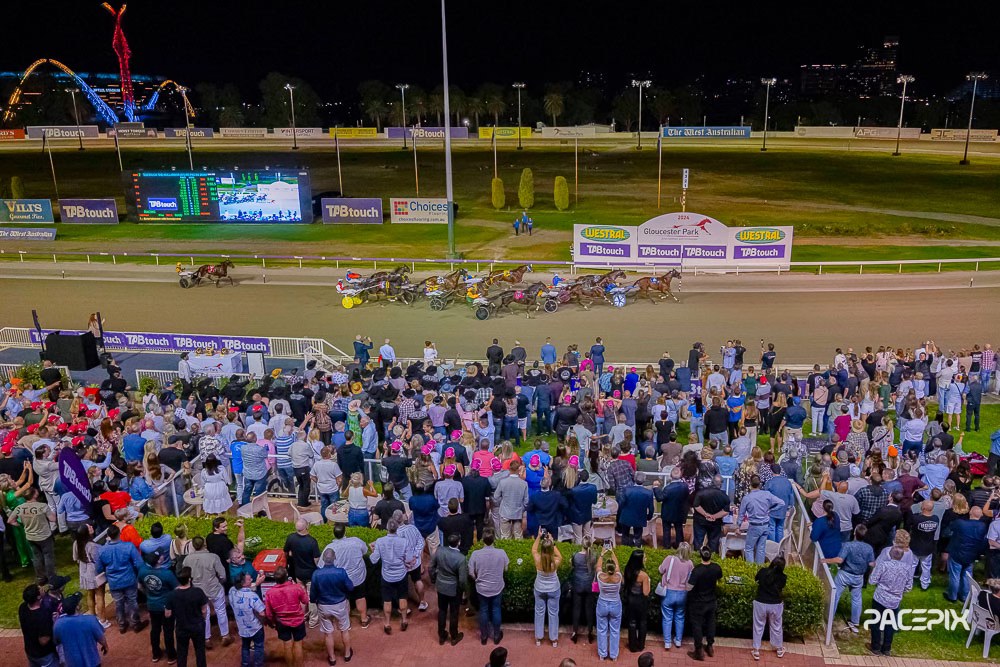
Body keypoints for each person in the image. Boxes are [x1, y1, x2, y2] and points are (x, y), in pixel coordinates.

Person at [823, 524, 875, 633]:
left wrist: (825, 560)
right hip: (858, 577)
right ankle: (855, 622)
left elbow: (839, 560)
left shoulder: (848, 545)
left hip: (844, 575)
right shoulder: (869, 548)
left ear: (855, 533)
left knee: (835, 595)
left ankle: (829, 618)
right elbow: (872, 563)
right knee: (856, 599)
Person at [94, 523, 145, 634]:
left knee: (118, 603)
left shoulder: (102, 550)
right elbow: (139, 563)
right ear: (119, 534)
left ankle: (122, 625)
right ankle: (135, 623)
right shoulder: (128, 546)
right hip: (129, 579)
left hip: (114, 582)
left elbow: (98, 569)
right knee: (132, 601)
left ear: (108, 536)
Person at [311, 548, 355, 664]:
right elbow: (350, 587)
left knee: (328, 633)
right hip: (340, 604)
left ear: (323, 559)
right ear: (335, 558)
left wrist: (316, 601)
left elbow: (312, 594)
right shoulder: (341, 572)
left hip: (324, 606)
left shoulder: (316, 574)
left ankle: (332, 658)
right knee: (344, 630)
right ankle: (347, 654)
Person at [185, 535, 231, 647]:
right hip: (214, 588)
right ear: (204, 544)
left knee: (204, 614)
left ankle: (206, 639)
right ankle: (225, 636)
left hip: (198, 591)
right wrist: (220, 582)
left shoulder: (187, 559)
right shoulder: (213, 557)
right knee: (221, 610)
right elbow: (223, 575)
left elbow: (186, 576)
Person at [369, 518, 412, 634]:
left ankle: (387, 624)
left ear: (387, 528)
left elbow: (373, 560)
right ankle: (404, 620)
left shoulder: (380, 541)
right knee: (402, 598)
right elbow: (409, 559)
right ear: (397, 527)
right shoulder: (404, 542)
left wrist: (372, 549)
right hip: (401, 574)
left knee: (387, 601)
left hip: (387, 576)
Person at [468, 527, 509, 646]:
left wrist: (477, 580)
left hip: (482, 588)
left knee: (483, 610)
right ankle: (496, 635)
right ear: (494, 539)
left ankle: (484, 636)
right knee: (496, 609)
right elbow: (506, 568)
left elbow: (471, 572)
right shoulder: (501, 553)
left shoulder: (476, 554)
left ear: (482, 540)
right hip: (497, 587)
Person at [868, 547, 913, 656]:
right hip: (894, 602)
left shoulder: (883, 565)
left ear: (890, 554)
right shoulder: (907, 569)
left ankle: (875, 647)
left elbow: (872, 581)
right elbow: (909, 586)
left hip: (880, 598)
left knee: (876, 622)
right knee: (890, 624)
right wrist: (899, 592)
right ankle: (886, 649)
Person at [325, 522, 371, 627]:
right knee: (360, 596)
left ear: (334, 534)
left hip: (341, 579)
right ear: (345, 532)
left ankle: (347, 623)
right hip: (357, 577)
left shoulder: (330, 547)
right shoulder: (355, 541)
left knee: (345, 599)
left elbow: (322, 564)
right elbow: (365, 551)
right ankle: (364, 619)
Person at [8, 486, 56, 583]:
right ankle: (51, 577)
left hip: (30, 537)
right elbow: (53, 519)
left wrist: (20, 525)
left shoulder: (19, 508)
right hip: (44, 536)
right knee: (48, 556)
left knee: (36, 557)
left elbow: (10, 521)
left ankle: (40, 578)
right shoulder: (42, 506)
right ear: (35, 495)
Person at [139, 551, 179, 664]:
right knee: (168, 631)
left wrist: (148, 594)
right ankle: (171, 655)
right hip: (166, 606)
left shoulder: (142, 571)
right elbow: (176, 589)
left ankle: (155, 654)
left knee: (155, 630)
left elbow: (139, 586)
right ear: (159, 561)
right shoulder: (166, 574)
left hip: (152, 605)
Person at [264, 566, 309, 667]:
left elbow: (269, 613)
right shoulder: (296, 587)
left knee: (287, 645)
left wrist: (272, 622)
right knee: (298, 644)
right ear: (287, 576)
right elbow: (305, 601)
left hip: (281, 622)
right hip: (298, 620)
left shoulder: (270, 593)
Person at [430, 532, 468, 646]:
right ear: (459, 543)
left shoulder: (440, 550)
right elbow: (462, 580)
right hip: (454, 589)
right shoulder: (461, 558)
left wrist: (433, 579)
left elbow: (431, 566)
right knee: (453, 612)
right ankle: (454, 636)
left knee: (442, 610)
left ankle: (442, 635)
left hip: (441, 586)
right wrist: (463, 590)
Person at [165, 567, 209, 667]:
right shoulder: (198, 592)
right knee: (200, 651)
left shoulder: (171, 595)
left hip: (181, 627)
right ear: (189, 579)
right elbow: (204, 610)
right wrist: (203, 619)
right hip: (197, 626)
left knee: (181, 653)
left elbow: (167, 614)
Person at [738, 475, 785, 564]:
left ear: (750, 484)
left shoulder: (747, 498)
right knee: (761, 548)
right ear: (760, 484)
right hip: (765, 525)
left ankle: (751, 570)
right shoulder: (767, 494)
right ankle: (759, 568)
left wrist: (738, 526)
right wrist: (771, 510)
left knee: (749, 548)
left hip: (754, 526)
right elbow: (781, 503)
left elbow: (741, 514)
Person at [687, 546, 723, 661]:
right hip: (711, 601)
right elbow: (720, 579)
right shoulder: (716, 568)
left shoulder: (697, 570)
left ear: (700, 555)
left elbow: (689, 587)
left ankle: (698, 650)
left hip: (698, 603)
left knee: (697, 625)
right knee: (711, 623)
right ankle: (710, 646)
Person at [53, 594, 108, 667]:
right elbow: (101, 638)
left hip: (72, 663)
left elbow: (57, 641)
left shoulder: (58, 624)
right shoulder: (90, 620)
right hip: (92, 661)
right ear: (77, 607)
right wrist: (105, 646)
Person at [284, 519, 321, 626]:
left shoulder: (291, 538)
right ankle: (313, 621)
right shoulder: (312, 541)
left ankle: (303, 617)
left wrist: (291, 557)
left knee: (301, 596)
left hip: (298, 573)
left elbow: (286, 552)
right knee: (311, 598)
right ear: (306, 527)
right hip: (311, 574)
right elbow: (316, 560)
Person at [659, 542, 694, 651]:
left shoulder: (670, 559)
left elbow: (660, 570)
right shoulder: (690, 563)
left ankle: (667, 642)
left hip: (668, 592)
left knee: (667, 618)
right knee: (680, 617)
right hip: (682, 593)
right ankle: (678, 640)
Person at [73, 525, 109, 629]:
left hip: (83, 571)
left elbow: (75, 558)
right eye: (89, 528)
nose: (91, 527)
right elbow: (99, 560)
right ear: (86, 533)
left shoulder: (76, 543)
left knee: (90, 594)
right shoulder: (93, 546)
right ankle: (102, 620)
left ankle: (92, 618)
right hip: (93, 571)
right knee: (100, 595)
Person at [751, 556, 787, 660]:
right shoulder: (783, 577)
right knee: (776, 627)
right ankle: (779, 649)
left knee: (758, 627)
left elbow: (756, 579)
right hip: (776, 604)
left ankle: (756, 651)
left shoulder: (763, 571)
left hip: (760, 603)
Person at [229, 571, 267, 667]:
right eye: (250, 580)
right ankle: (258, 665)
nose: (252, 580)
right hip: (255, 627)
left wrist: (257, 583)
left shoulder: (232, 591)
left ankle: (245, 664)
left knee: (245, 646)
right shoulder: (252, 596)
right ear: (244, 583)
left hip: (242, 627)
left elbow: (243, 589)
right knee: (258, 646)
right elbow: (262, 612)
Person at [532, 529, 563, 647]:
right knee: (553, 613)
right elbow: (560, 555)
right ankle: (554, 639)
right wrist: (552, 542)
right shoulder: (555, 561)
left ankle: (538, 638)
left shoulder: (538, 559)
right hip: (553, 589)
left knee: (539, 613)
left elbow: (534, 549)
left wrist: (539, 537)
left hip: (539, 588)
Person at [19, 583, 58, 667]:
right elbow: (43, 641)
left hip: (29, 650)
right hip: (43, 655)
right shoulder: (42, 615)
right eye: (40, 589)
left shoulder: (22, 607)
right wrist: (54, 623)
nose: (43, 588)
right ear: (38, 597)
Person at [595, 545, 623, 661]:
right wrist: (612, 552)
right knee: (615, 630)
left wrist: (602, 553)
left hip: (602, 604)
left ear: (606, 568)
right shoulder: (619, 577)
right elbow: (618, 567)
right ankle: (614, 655)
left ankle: (602, 654)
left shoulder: (600, 577)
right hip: (616, 604)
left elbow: (597, 566)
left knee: (601, 629)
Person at [570, 537, 598, 644]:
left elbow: (572, 566)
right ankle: (590, 632)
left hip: (577, 585)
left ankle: (575, 633)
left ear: (582, 544)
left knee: (576, 609)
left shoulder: (575, 555)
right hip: (589, 586)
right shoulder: (594, 556)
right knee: (589, 609)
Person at [624, 549, 651, 653]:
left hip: (631, 599)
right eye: (644, 557)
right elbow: (646, 592)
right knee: (642, 622)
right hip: (640, 600)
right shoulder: (643, 575)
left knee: (632, 622)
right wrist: (648, 582)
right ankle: (640, 644)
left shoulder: (627, 569)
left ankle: (632, 645)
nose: (646, 559)